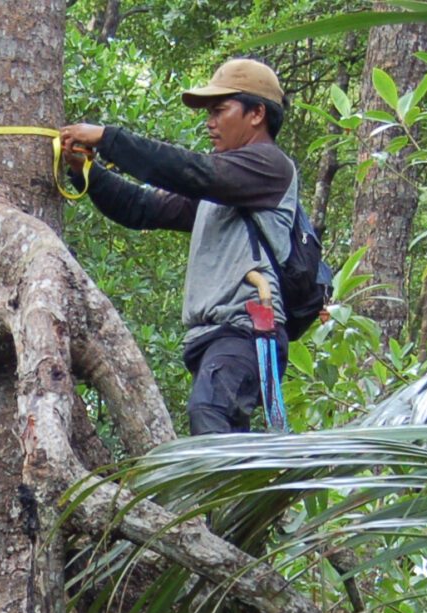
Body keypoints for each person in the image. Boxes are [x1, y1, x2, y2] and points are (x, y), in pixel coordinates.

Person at [60, 59, 300, 435]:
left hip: (247, 329)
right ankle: (237, 494)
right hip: (216, 337)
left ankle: (224, 496)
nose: (210, 122)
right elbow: (141, 208)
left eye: (220, 111)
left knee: (209, 410)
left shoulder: (268, 165)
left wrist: (109, 138)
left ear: (256, 114)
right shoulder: (221, 187)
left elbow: (192, 171)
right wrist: (84, 170)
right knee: (219, 423)